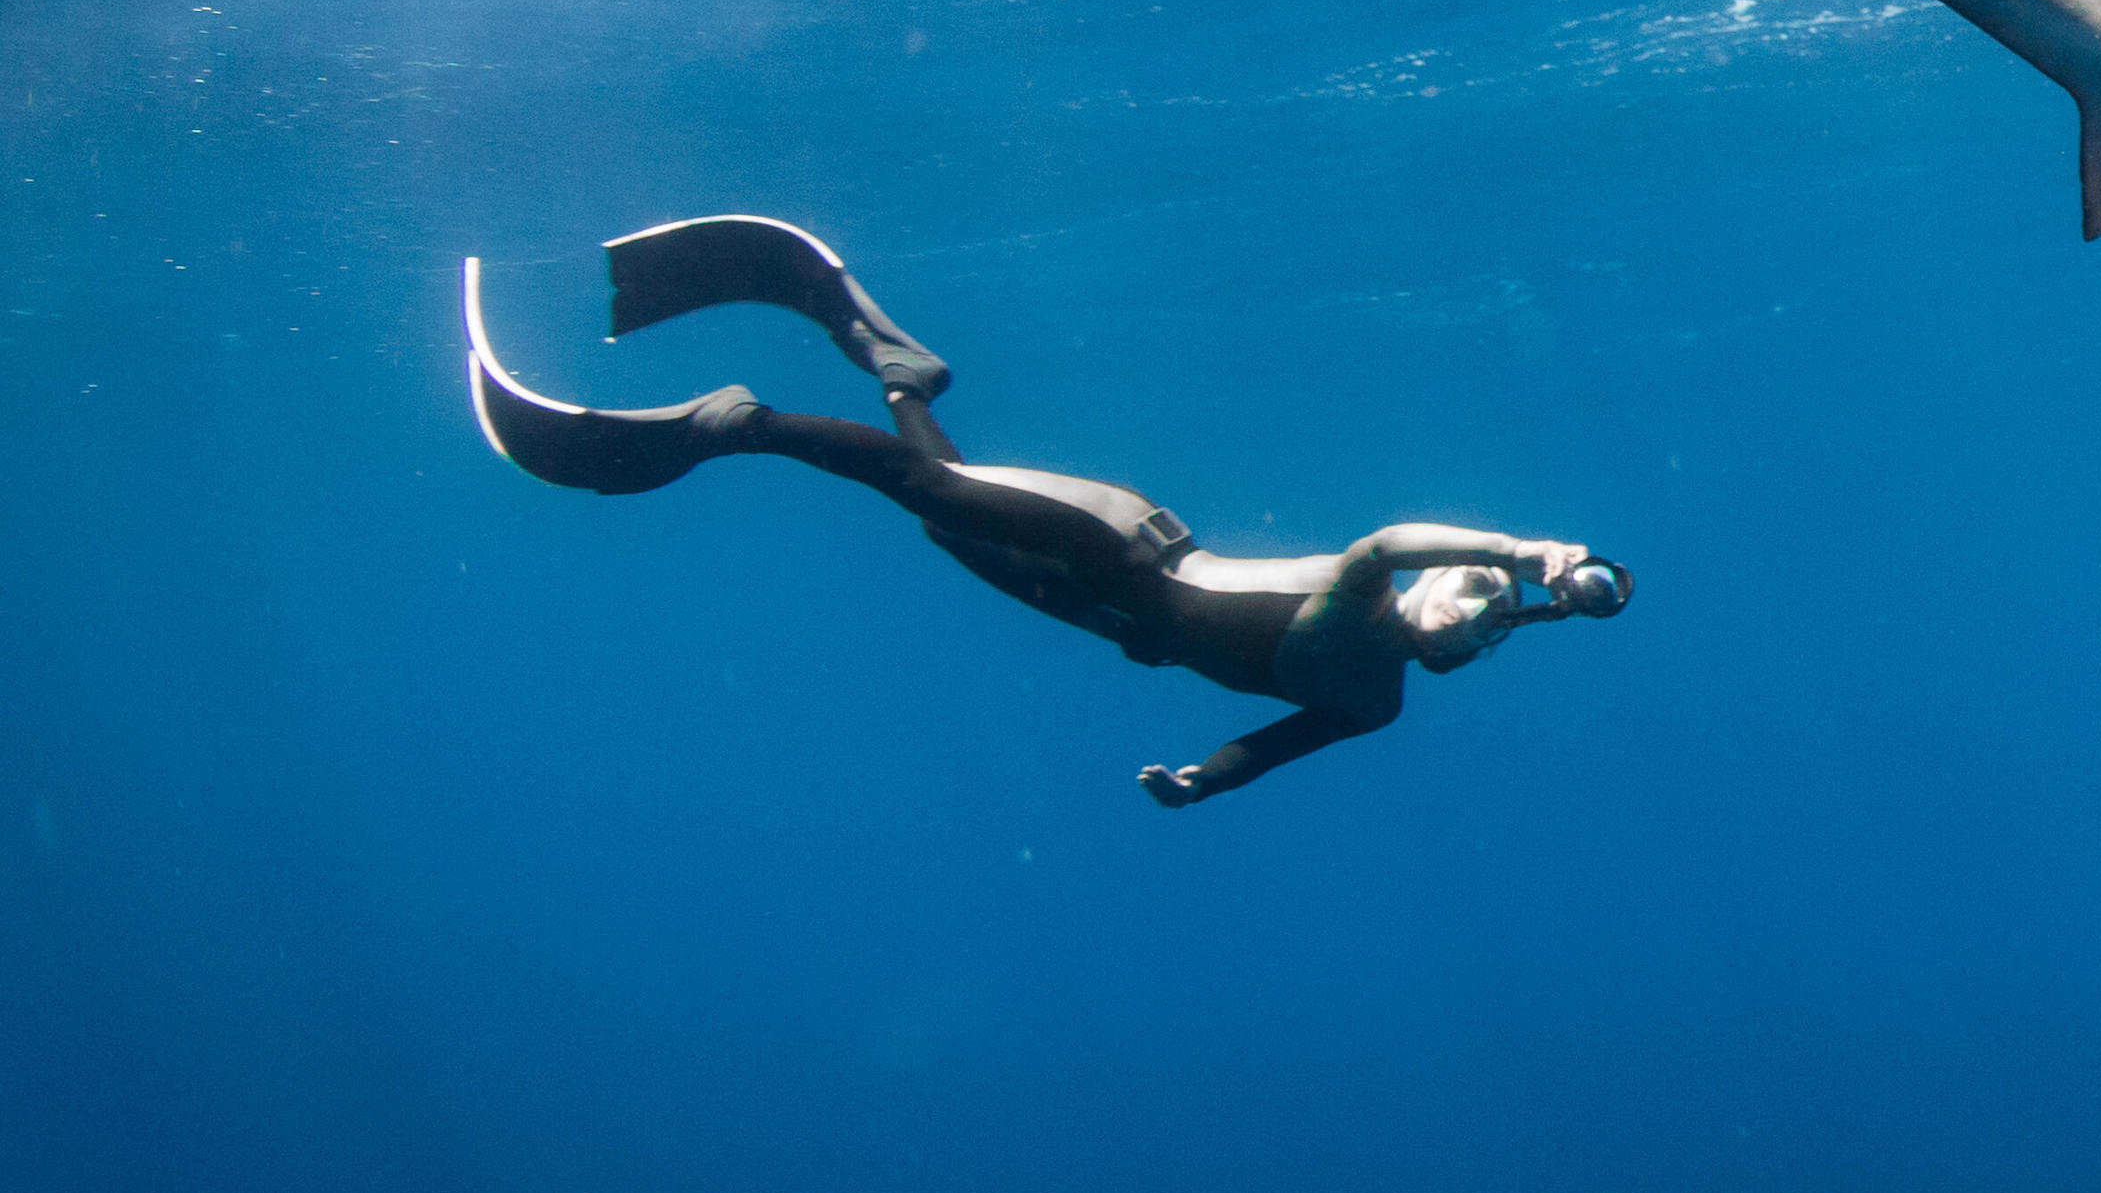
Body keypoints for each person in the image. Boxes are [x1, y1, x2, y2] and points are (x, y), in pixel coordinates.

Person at [460, 215, 1629, 807]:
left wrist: (1197, 784)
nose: (1473, 607)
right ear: (1435, 579)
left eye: (1488, 615)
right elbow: (1387, 536)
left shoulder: (1372, 700)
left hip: (1101, 614)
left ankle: (901, 369)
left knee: (940, 513)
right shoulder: (1368, 590)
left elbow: (1276, 743)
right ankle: (741, 423)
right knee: (927, 487)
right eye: (1468, 589)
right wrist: (1516, 546)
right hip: (1118, 540)